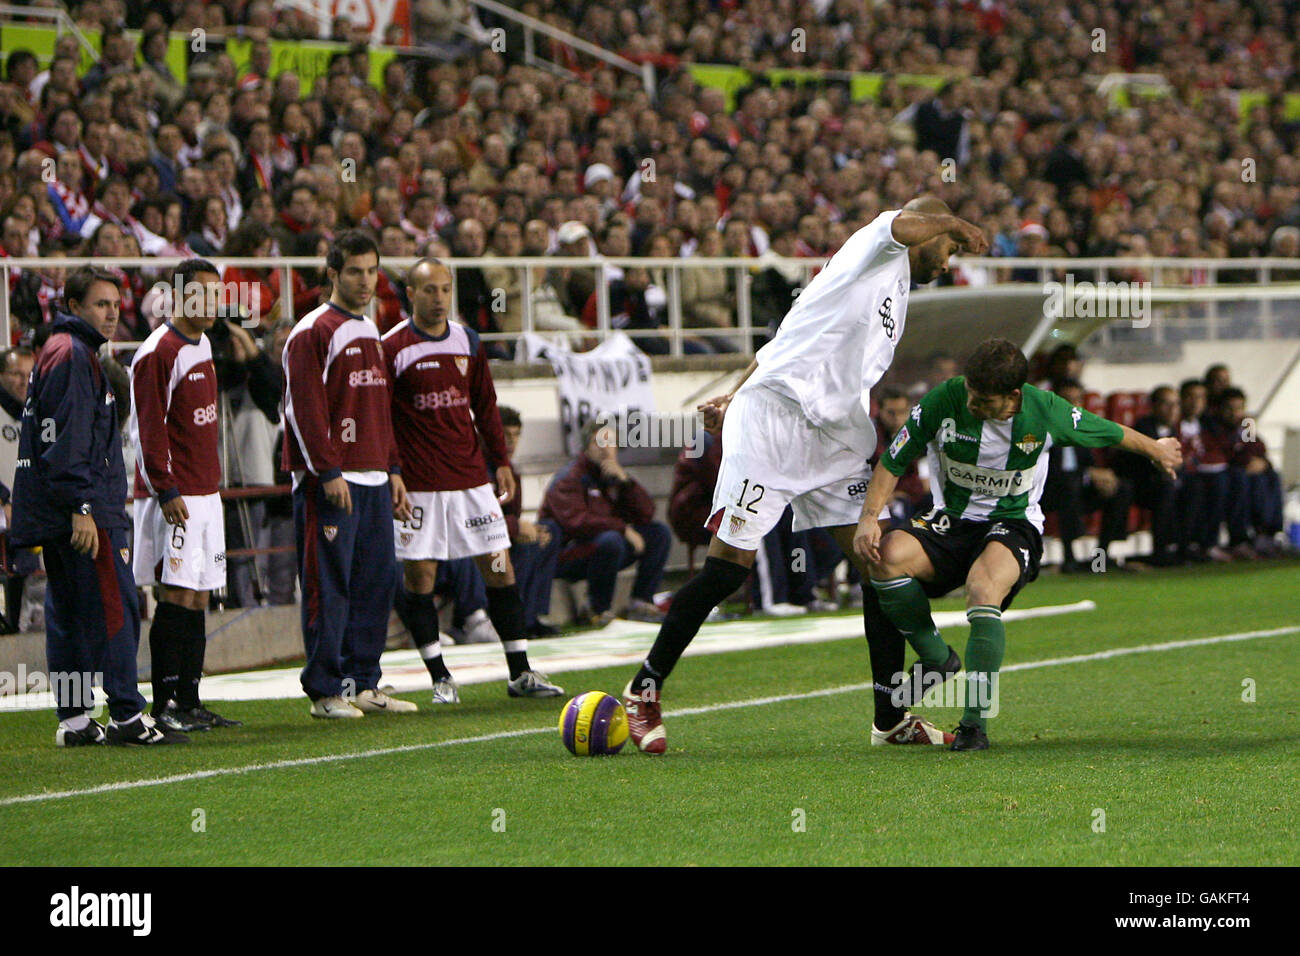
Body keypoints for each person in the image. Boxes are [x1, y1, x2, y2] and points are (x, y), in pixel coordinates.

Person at [618, 196, 987, 755]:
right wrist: (955, 221)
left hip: (834, 436)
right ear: (925, 232)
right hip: (774, 423)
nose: (950, 256)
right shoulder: (876, 247)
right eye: (949, 246)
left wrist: (733, 390)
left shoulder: (899, 289)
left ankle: (889, 718)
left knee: (877, 562)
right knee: (729, 568)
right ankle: (643, 690)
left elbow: (787, 336)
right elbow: (900, 222)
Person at [855, 338, 1182, 752]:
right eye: (971, 394)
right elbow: (894, 459)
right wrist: (869, 518)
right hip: (950, 521)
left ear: (1013, 397)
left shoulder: (1045, 410)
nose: (973, 405)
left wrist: (1156, 449)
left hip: (1012, 524)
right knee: (882, 558)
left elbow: (1109, 431)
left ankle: (973, 724)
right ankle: (937, 659)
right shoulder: (945, 400)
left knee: (982, 588)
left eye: (984, 401)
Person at [11, 266, 186, 745]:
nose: (111, 314)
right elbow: (71, 441)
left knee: (67, 614)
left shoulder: (58, 351)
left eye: (115, 304)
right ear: (73, 306)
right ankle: (129, 717)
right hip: (84, 510)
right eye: (100, 305)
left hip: (57, 509)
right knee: (115, 609)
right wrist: (82, 506)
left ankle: (74, 720)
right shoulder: (74, 356)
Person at [383, 257, 563, 702]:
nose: (439, 297)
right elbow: (381, 417)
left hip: (470, 480)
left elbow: (485, 403)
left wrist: (499, 459)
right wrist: (392, 471)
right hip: (420, 484)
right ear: (411, 293)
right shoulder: (392, 347)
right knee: (420, 576)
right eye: (429, 290)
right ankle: (439, 675)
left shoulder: (468, 340)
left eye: (445, 289)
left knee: (499, 568)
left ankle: (520, 672)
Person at [282, 230, 414, 718]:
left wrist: (393, 466)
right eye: (354, 271)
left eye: (371, 271)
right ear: (333, 274)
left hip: (375, 478)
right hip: (331, 480)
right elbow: (302, 409)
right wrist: (327, 468)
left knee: (376, 581)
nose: (365, 281)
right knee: (328, 583)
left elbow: (380, 407)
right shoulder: (312, 331)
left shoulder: (370, 331)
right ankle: (323, 689)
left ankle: (363, 680)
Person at [128, 259, 242, 732]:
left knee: (199, 594)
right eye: (202, 294)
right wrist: (166, 486)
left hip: (204, 490)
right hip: (172, 494)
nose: (213, 303)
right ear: (177, 297)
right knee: (174, 594)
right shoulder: (158, 352)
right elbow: (146, 430)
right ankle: (164, 704)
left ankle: (190, 699)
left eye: (217, 294)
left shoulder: (205, 343)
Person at [541, 418, 672, 627]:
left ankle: (641, 601)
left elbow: (647, 513)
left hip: (605, 546)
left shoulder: (613, 476)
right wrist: (622, 529)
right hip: (566, 553)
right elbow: (576, 523)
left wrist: (626, 482)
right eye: (598, 443)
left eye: (610, 442)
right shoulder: (570, 478)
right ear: (585, 447)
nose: (605, 449)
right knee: (611, 541)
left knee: (658, 533)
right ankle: (597, 608)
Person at [1040, 378, 1135, 570]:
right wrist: (1087, 474)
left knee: (1121, 489)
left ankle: (1101, 557)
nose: (1071, 406)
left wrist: (1103, 476)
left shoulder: (1081, 429)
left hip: (1077, 490)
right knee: (1068, 485)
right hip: (1049, 492)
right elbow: (1049, 471)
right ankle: (1070, 559)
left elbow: (1090, 465)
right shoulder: (1042, 430)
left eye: (1076, 400)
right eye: (1066, 400)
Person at [497, 405, 563, 638]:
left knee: (548, 532)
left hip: (504, 535)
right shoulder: (478, 469)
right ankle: (519, 619)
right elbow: (471, 518)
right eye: (505, 436)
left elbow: (513, 514)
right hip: (484, 546)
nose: (511, 443)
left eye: (516, 436)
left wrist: (528, 528)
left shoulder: (511, 470)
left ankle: (535, 615)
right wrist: (516, 528)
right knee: (526, 545)